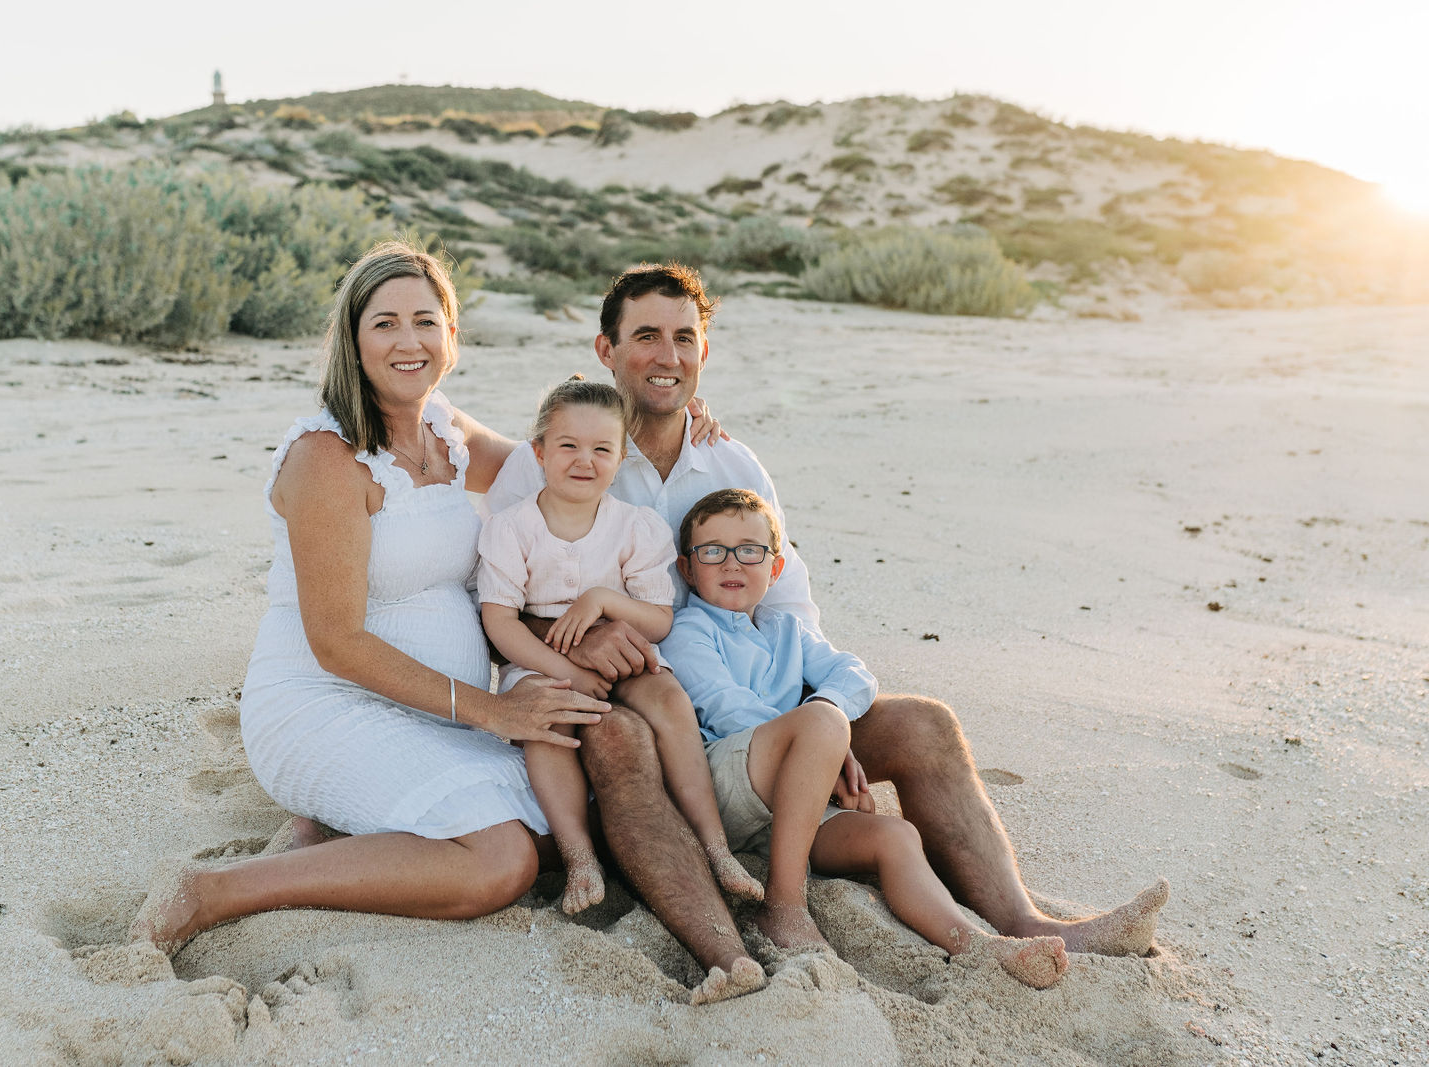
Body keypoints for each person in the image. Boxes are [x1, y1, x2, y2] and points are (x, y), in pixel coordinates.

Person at [128, 244, 759, 1006]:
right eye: (384, 322)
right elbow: (337, 640)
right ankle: (216, 890)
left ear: (451, 336)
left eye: (426, 321)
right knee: (501, 860)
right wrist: (495, 708)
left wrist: (669, 414)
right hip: (324, 703)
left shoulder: (447, 431)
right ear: (352, 339)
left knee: (559, 820)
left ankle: (329, 827)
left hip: (437, 714)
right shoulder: (327, 457)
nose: (408, 341)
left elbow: (565, 460)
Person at [485, 263, 1168, 962]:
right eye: (646, 337)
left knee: (925, 725)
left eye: (684, 338)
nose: (668, 357)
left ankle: (1024, 922)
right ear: (606, 350)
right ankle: (731, 954)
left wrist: (826, 725)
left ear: (704, 353)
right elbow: (490, 593)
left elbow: (788, 603)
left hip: (759, 718)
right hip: (636, 706)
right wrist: (567, 638)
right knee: (618, 736)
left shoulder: (732, 463)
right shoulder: (566, 450)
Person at [665, 489, 1070, 987]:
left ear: (774, 569)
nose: (733, 562)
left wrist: (825, 719)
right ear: (687, 569)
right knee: (823, 723)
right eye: (713, 551)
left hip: (793, 805)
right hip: (725, 785)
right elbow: (725, 708)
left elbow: (853, 674)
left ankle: (977, 945)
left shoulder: (786, 628)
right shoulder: (689, 629)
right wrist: (821, 738)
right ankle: (784, 904)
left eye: (750, 549)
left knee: (895, 837)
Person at [478, 379, 763, 917]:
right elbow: (500, 624)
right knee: (548, 721)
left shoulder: (636, 526)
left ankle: (714, 843)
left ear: (620, 458)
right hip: (538, 666)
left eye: (602, 449)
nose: (584, 460)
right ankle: (579, 855)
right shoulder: (510, 529)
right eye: (567, 446)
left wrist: (604, 599)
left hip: (629, 657)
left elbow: (658, 619)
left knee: (669, 698)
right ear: (538, 452)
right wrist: (566, 669)